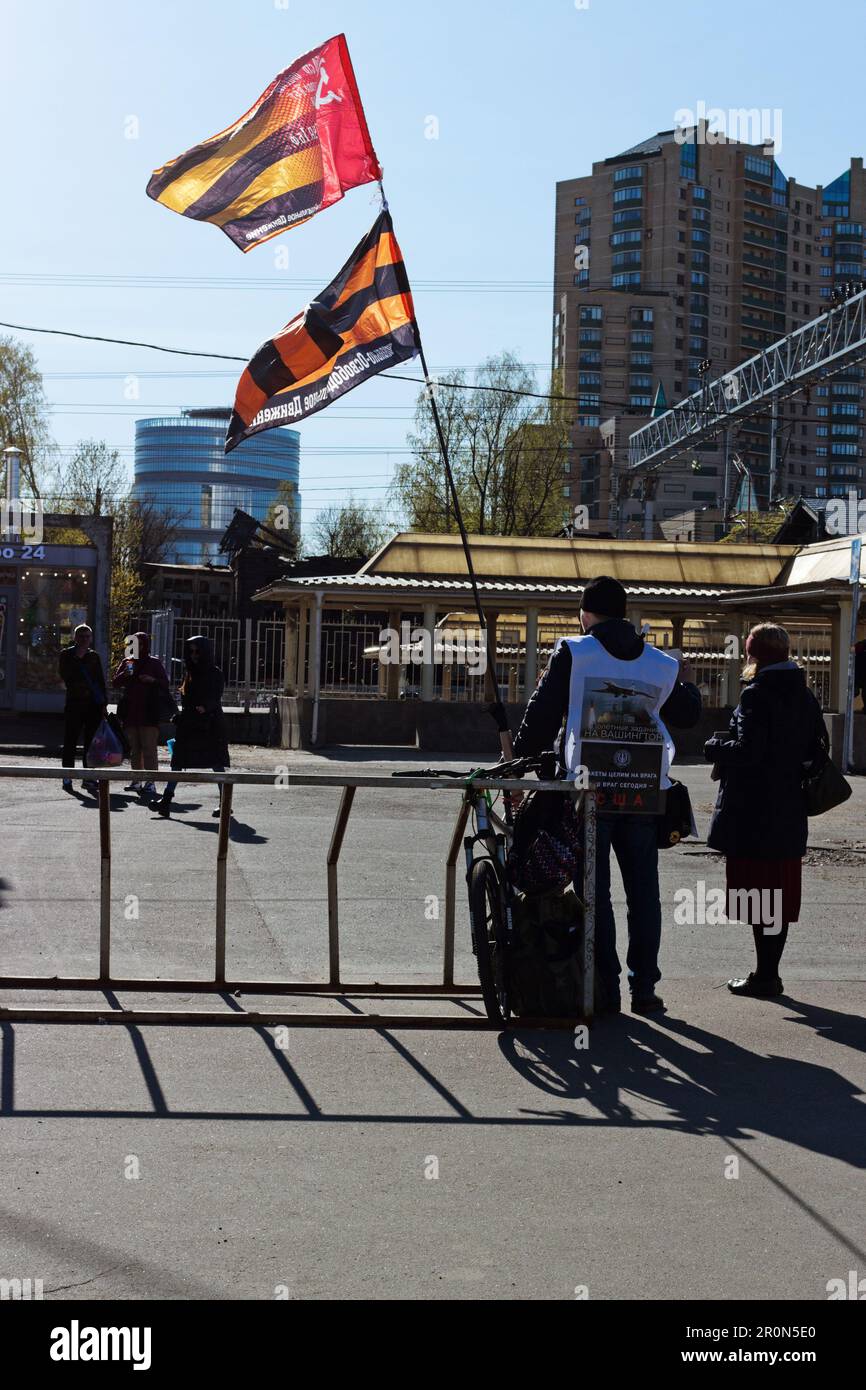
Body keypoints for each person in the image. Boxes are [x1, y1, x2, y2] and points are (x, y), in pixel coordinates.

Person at [512, 575, 702, 1015]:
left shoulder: (574, 652)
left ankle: (606, 988)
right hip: (642, 792)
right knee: (643, 891)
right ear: (625, 613)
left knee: (594, 891)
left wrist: (520, 761)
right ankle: (646, 988)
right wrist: (685, 681)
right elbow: (688, 714)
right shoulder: (660, 664)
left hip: (586, 791)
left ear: (585, 613)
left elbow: (540, 718)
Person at [704, 623, 827, 998]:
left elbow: (748, 752)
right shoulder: (804, 695)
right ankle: (768, 972)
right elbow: (818, 748)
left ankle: (766, 976)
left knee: (760, 895)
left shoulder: (756, 695)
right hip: (788, 812)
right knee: (778, 895)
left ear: (755, 657)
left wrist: (714, 747)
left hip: (754, 813)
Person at [155, 635, 230, 818]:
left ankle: (224, 803)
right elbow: (186, 697)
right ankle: (166, 800)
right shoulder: (190, 673)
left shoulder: (214, 673)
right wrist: (180, 715)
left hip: (208, 725)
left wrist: (204, 707)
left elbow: (215, 697)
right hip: (189, 724)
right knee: (178, 762)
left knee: (216, 764)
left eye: (197, 651)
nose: (194, 655)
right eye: (191, 651)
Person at [113, 631, 170, 801]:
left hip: (149, 711)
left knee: (149, 748)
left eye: (140, 643)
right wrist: (126, 673)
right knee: (135, 748)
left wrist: (152, 680)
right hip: (131, 711)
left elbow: (165, 684)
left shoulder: (153, 663)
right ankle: (136, 780)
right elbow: (116, 682)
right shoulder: (129, 661)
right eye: (134, 643)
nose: (136, 647)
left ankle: (150, 782)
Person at [58, 623, 108, 795]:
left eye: (88, 636)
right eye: (82, 636)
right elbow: (66, 676)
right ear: (75, 638)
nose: (85, 639)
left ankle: (88, 777)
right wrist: (78, 657)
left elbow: (100, 681)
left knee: (90, 742)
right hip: (74, 703)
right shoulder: (67, 655)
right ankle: (67, 774)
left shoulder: (94, 657)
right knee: (70, 740)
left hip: (92, 705)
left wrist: (103, 704)